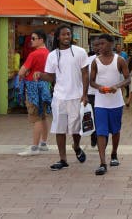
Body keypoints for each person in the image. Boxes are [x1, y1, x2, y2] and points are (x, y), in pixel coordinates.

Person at [33, 25, 90, 171]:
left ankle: (76, 147)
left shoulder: (80, 52)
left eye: (69, 34)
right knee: (59, 128)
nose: (67, 37)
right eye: (64, 35)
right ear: (58, 37)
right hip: (59, 97)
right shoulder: (52, 55)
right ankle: (63, 159)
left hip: (76, 97)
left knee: (76, 129)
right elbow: (51, 77)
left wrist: (85, 94)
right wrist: (40, 75)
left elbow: (85, 74)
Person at [89, 34, 130, 175]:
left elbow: (128, 79)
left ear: (111, 44)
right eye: (98, 44)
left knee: (115, 130)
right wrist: (99, 87)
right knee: (101, 131)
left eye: (103, 43)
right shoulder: (95, 61)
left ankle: (114, 153)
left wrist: (117, 86)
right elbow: (91, 81)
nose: (100, 47)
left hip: (116, 102)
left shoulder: (120, 60)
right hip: (100, 103)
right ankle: (102, 162)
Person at [17, 30, 52, 156]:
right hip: (45, 86)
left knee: (36, 117)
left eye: (33, 38)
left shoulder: (34, 54)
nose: (31, 40)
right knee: (42, 116)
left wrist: (26, 73)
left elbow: (21, 72)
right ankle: (43, 143)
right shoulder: (48, 54)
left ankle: (34, 147)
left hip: (33, 87)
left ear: (41, 40)